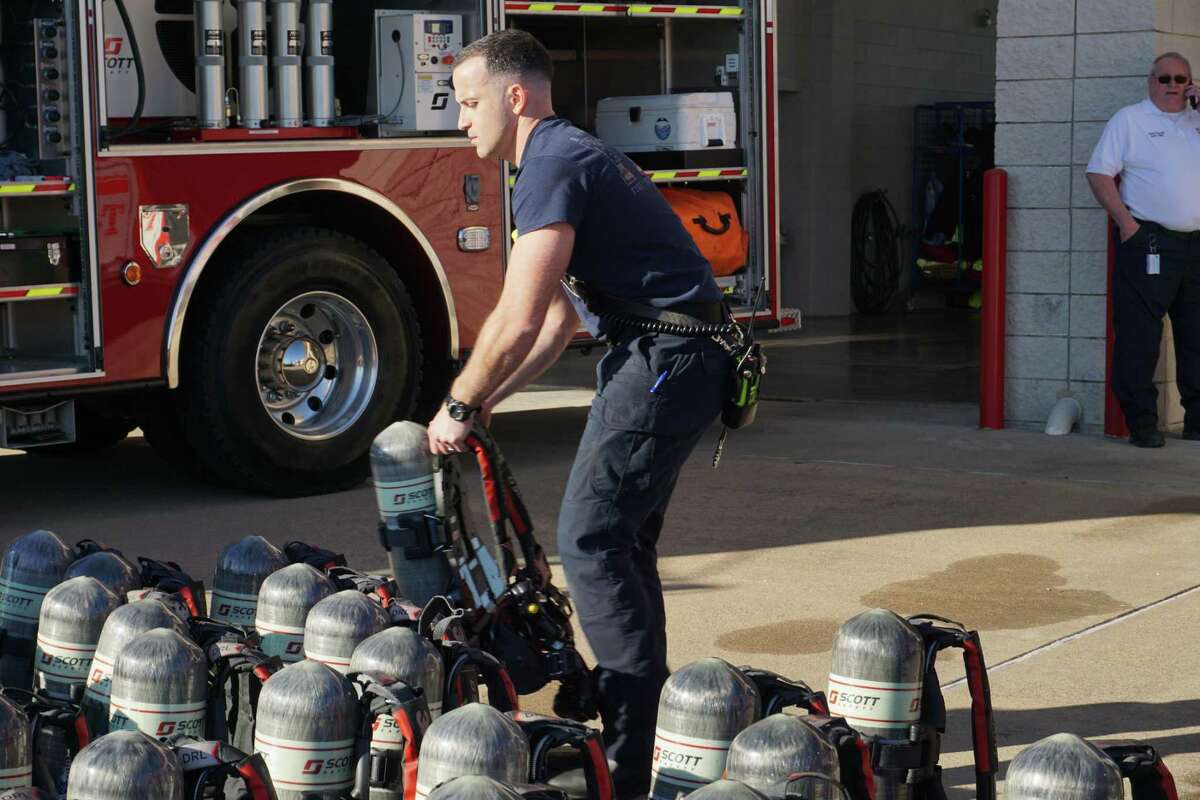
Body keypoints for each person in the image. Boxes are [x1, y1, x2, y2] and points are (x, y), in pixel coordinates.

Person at [425, 29, 732, 797]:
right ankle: (648, 736)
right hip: (671, 354)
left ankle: (628, 762)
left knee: (592, 543)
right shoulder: (562, 154)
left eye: (468, 103)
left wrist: (458, 403)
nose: (461, 121)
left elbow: (521, 315)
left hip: (668, 356)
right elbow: (561, 322)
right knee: (620, 547)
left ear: (514, 95)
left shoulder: (553, 162)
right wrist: (490, 402)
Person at [1087, 52, 1200, 447]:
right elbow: (1099, 172)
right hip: (1150, 241)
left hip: (1196, 244)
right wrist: (1128, 225)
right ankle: (1143, 424)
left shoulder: (1196, 120)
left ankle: (1197, 421)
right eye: (1165, 78)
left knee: (1196, 335)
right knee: (1140, 336)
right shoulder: (1130, 119)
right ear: (1150, 82)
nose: (1173, 86)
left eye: (1181, 79)